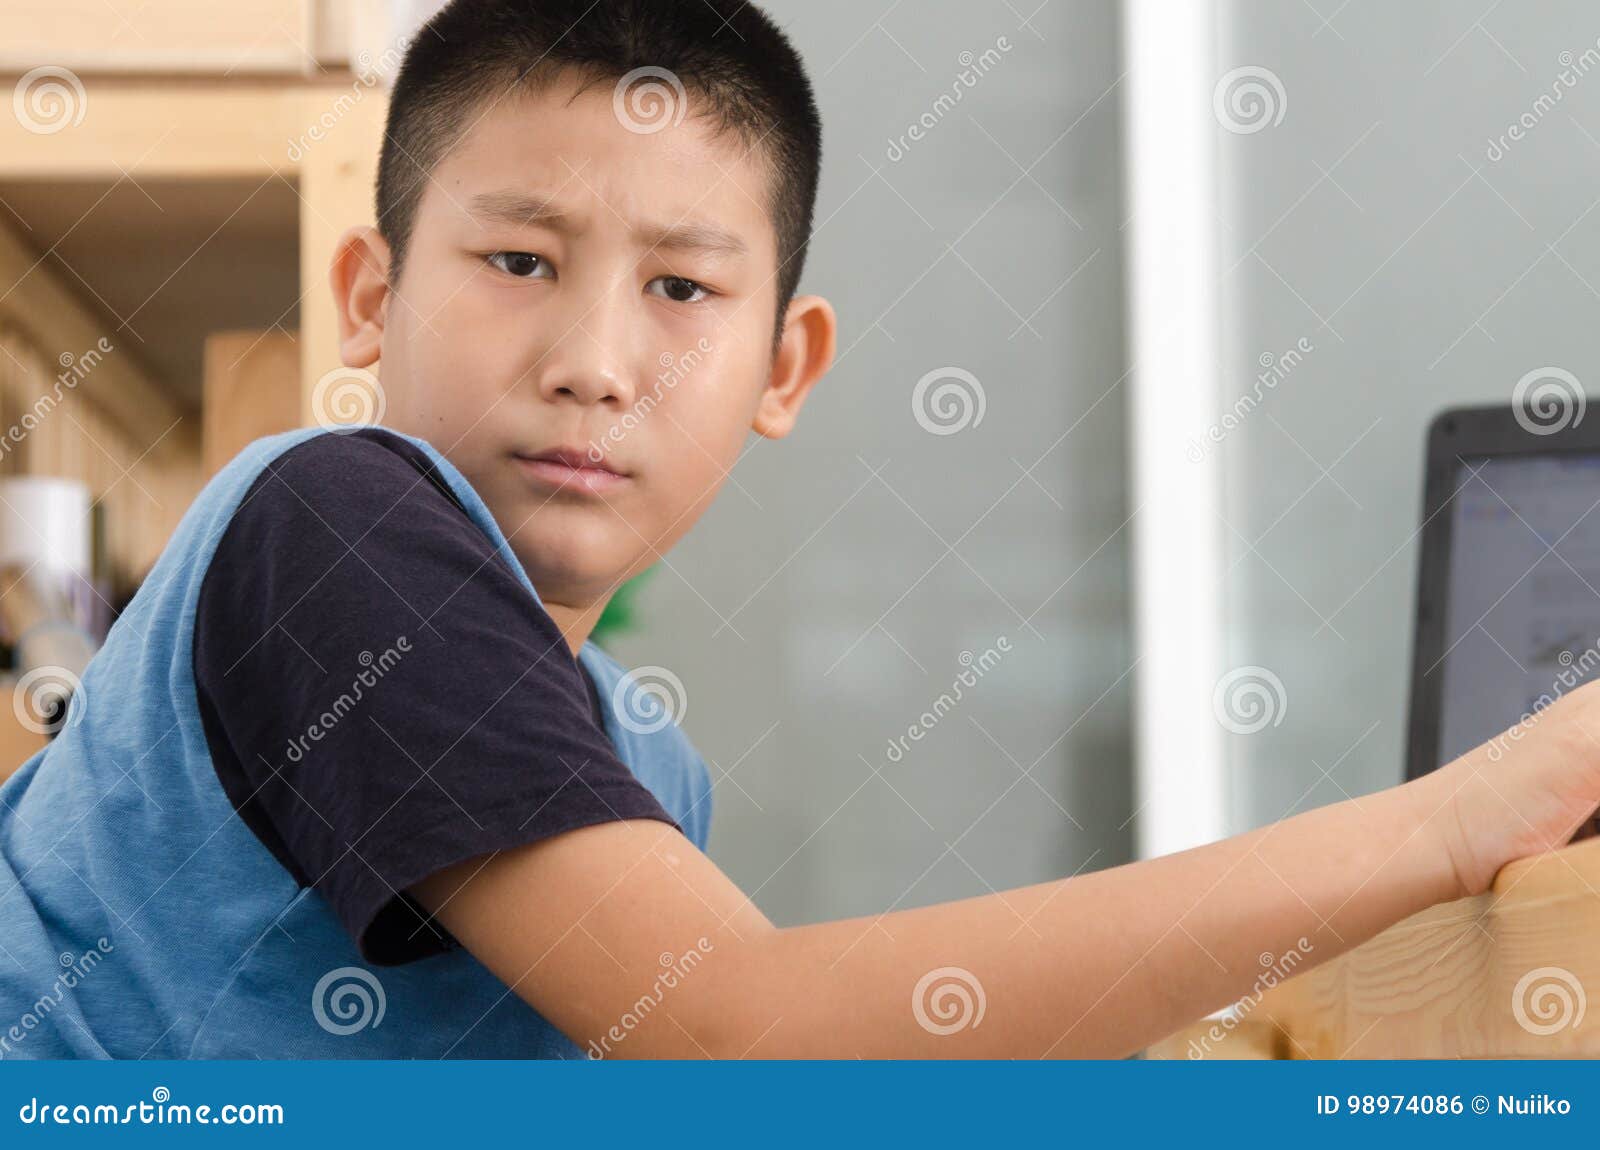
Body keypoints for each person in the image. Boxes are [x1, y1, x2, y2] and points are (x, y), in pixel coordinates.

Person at [2, 0, 1597, 1060]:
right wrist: (1459, 818)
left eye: (682, 290)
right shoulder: (334, 526)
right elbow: (746, 1030)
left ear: (784, 366)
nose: (595, 361)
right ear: (370, 296)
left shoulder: (640, 764)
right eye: (518, 261)